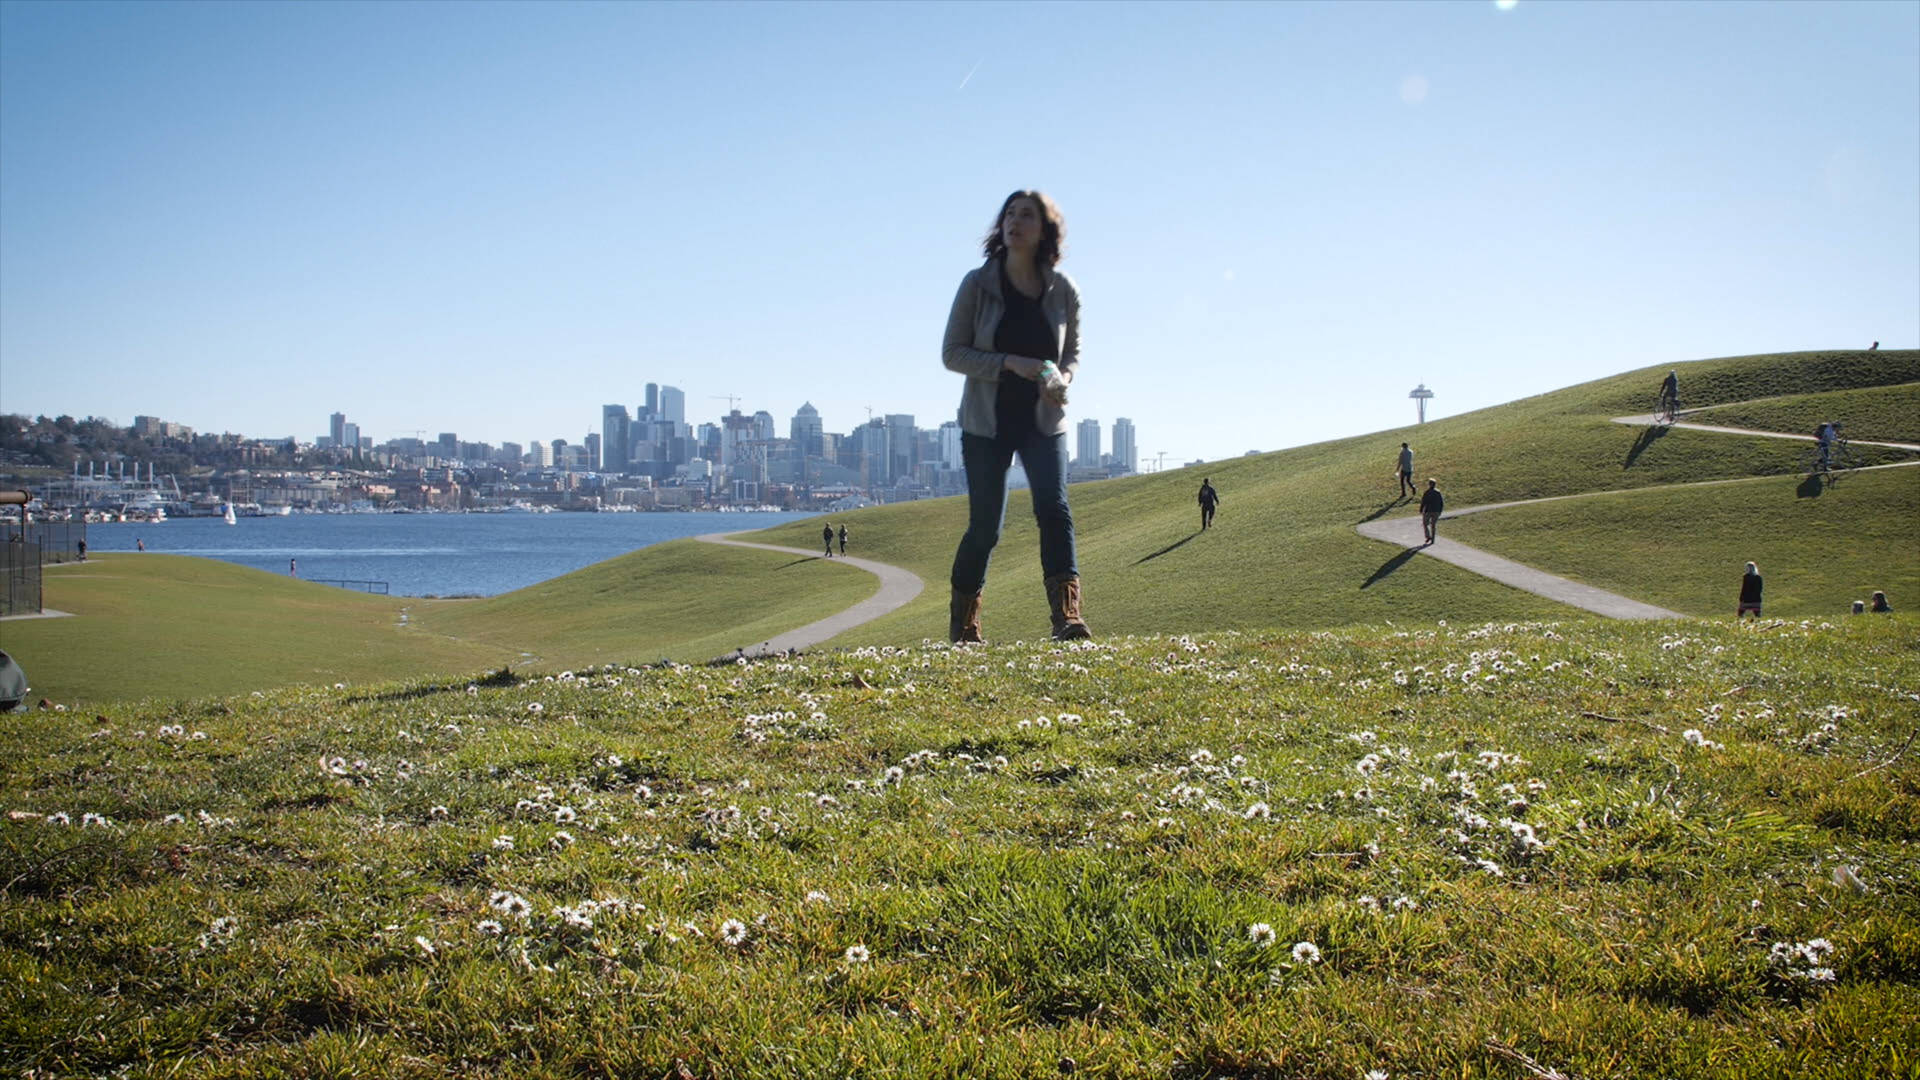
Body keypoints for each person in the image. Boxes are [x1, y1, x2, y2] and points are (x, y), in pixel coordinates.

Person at [942, 189, 1088, 643]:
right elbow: (952, 354)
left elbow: (1072, 356)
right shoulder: (976, 284)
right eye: (1009, 213)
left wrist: (1060, 380)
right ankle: (965, 626)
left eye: (1027, 215)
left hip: (1043, 421)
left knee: (1054, 509)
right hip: (986, 422)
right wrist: (1010, 363)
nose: (1015, 221)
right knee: (986, 527)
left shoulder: (1063, 290)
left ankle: (1067, 618)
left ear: (1044, 229)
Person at [1418, 478, 1444, 546]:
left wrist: (1421, 509)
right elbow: (1441, 502)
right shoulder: (1438, 492)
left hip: (1428, 511)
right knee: (1433, 525)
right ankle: (1433, 539)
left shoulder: (1427, 492)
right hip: (1436, 511)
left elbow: (1423, 502)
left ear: (1429, 484)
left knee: (1425, 524)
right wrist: (1440, 511)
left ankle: (1428, 536)